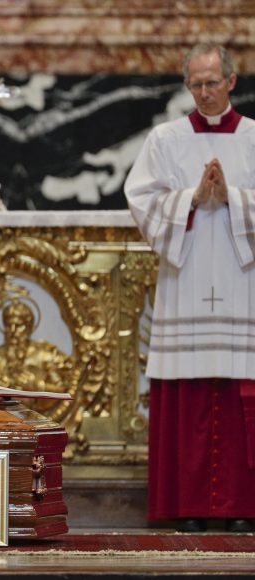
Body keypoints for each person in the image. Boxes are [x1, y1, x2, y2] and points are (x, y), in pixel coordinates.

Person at [125, 43, 255, 534]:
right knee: (190, 395)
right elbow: (140, 198)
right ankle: (188, 506)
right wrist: (192, 199)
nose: (203, 92)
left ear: (231, 81)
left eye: (212, 82)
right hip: (187, 282)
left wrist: (235, 199)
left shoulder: (253, 139)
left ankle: (245, 506)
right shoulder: (166, 139)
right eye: (195, 84)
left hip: (245, 286)